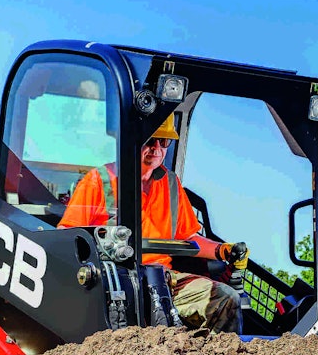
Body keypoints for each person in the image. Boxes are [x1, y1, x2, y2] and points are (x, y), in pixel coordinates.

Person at [58, 115, 248, 332]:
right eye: (151, 140)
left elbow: (188, 238)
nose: (157, 148)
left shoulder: (171, 185)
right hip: (114, 282)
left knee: (226, 299)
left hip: (163, 281)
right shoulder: (98, 181)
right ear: (134, 139)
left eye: (164, 142)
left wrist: (222, 250)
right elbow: (67, 237)